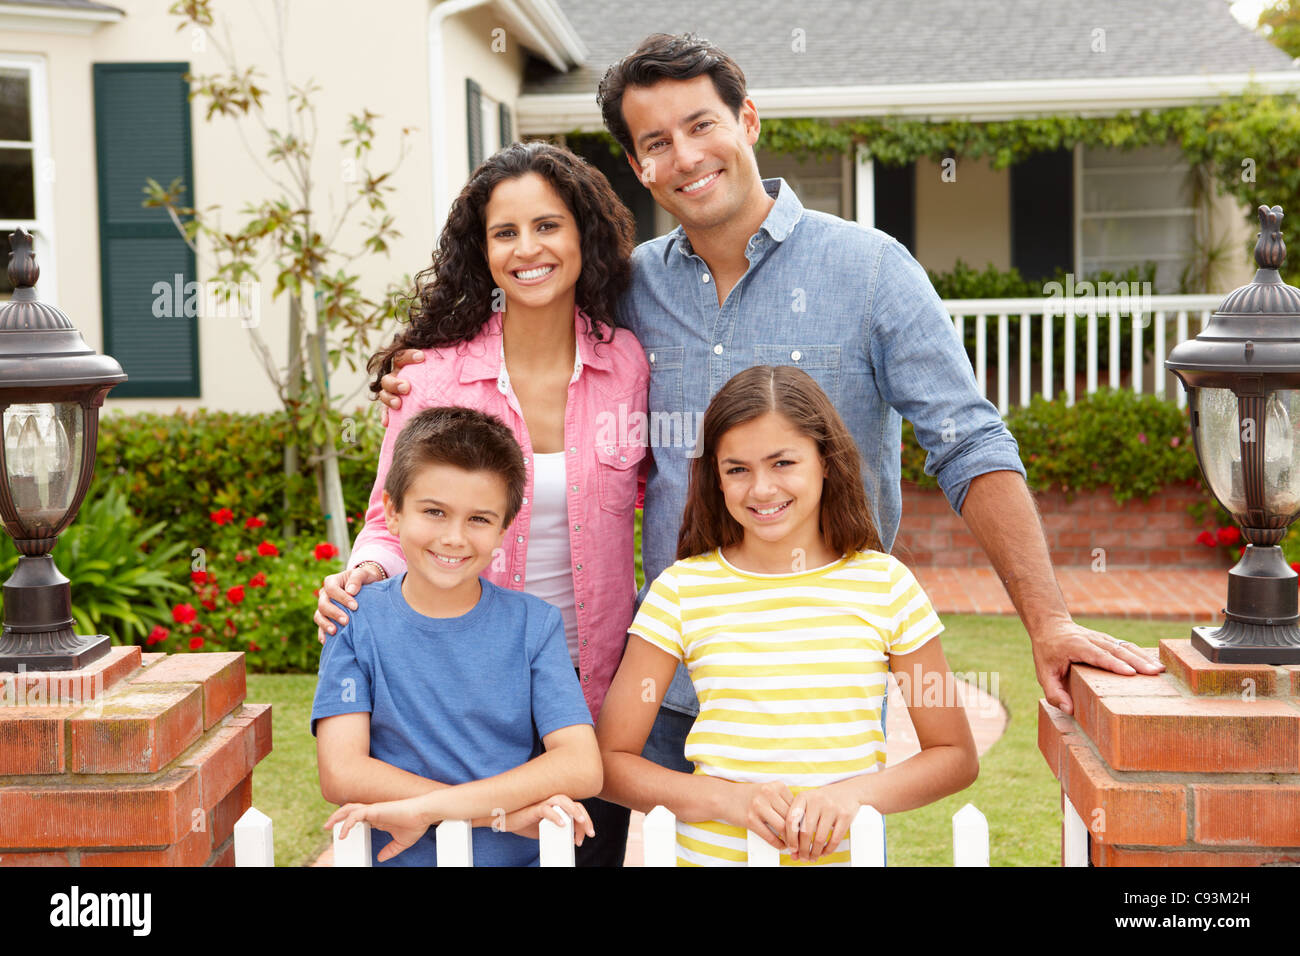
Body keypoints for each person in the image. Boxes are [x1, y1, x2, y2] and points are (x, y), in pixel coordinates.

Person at [376, 35, 1162, 783]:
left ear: (747, 120)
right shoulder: (629, 290)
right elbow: (529, 313)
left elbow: (970, 446)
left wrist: (1048, 621)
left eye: (701, 125)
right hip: (665, 682)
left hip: (818, 687)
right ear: (636, 166)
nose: (684, 156)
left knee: (827, 844)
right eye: (655, 143)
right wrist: (425, 369)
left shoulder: (871, 271)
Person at [313, 141, 648, 865]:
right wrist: (365, 577)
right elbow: (388, 517)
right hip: (468, 705)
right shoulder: (432, 379)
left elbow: (669, 489)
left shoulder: (626, 363)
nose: (528, 248)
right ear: (484, 249)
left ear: (582, 234)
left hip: (591, 700)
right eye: (506, 232)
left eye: (548, 225)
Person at [596, 366, 978, 865]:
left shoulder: (887, 586)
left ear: (824, 462)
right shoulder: (681, 591)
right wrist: (728, 799)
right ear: (715, 475)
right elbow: (609, 761)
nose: (761, 489)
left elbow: (954, 756)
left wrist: (851, 796)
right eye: (737, 469)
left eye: (782, 463)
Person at [313, 406, 602, 866]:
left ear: (505, 529)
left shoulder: (535, 625)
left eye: (479, 519)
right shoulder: (354, 620)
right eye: (434, 511)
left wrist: (429, 810)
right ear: (392, 511)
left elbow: (581, 766)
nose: (454, 537)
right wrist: (501, 814)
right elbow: (342, 772)